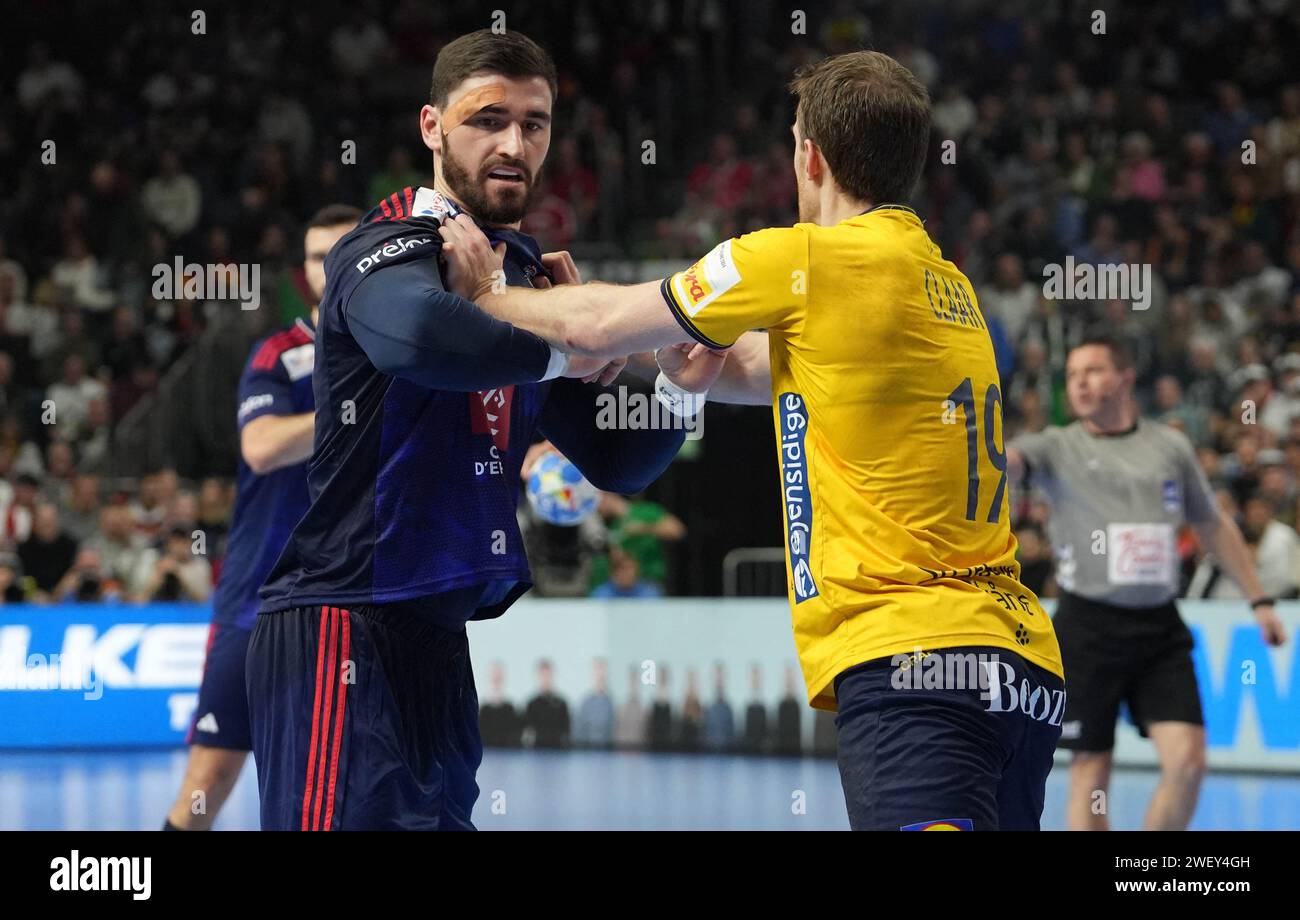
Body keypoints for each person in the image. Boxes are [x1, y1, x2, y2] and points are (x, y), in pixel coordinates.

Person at [443, 50, 1064, 830]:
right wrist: (642, 356)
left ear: (810, 153)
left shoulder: (799, 257)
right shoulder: (946, 285)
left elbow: (591, 322)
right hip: (1020, 667)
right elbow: (739, 365)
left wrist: (481, 297)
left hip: (911, 662)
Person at [248, 30, 692, 831]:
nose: (514, 144)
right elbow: (419, 336)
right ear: (431, 128)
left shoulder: (515, 275)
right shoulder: (386, 244)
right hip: (341, 622)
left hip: (437, 639)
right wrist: (570, 340)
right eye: (487, 119)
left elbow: (620, 454)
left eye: (535, 123)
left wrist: (683, 389)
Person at [1007, 336, 1288, 831]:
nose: (1081, 384)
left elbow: (1213, 525)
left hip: (1159, 628)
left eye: (1093, 371)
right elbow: (1008, 459)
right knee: (1091, 771)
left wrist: (1259, 599)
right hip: (1087, 626)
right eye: (1073, 376)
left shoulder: (1169, 446)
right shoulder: (1056, 445)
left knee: (1189, 762)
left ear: (1125, 378)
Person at [162, 204, 362, 832]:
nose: (326, 271)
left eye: (340, 254)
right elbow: (262, 446)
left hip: (351, 606)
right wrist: (363, 411)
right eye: (313, 258)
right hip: (255, 599)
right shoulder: (279, 354)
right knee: (208, 783)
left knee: (338, 788)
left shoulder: (405, 357)